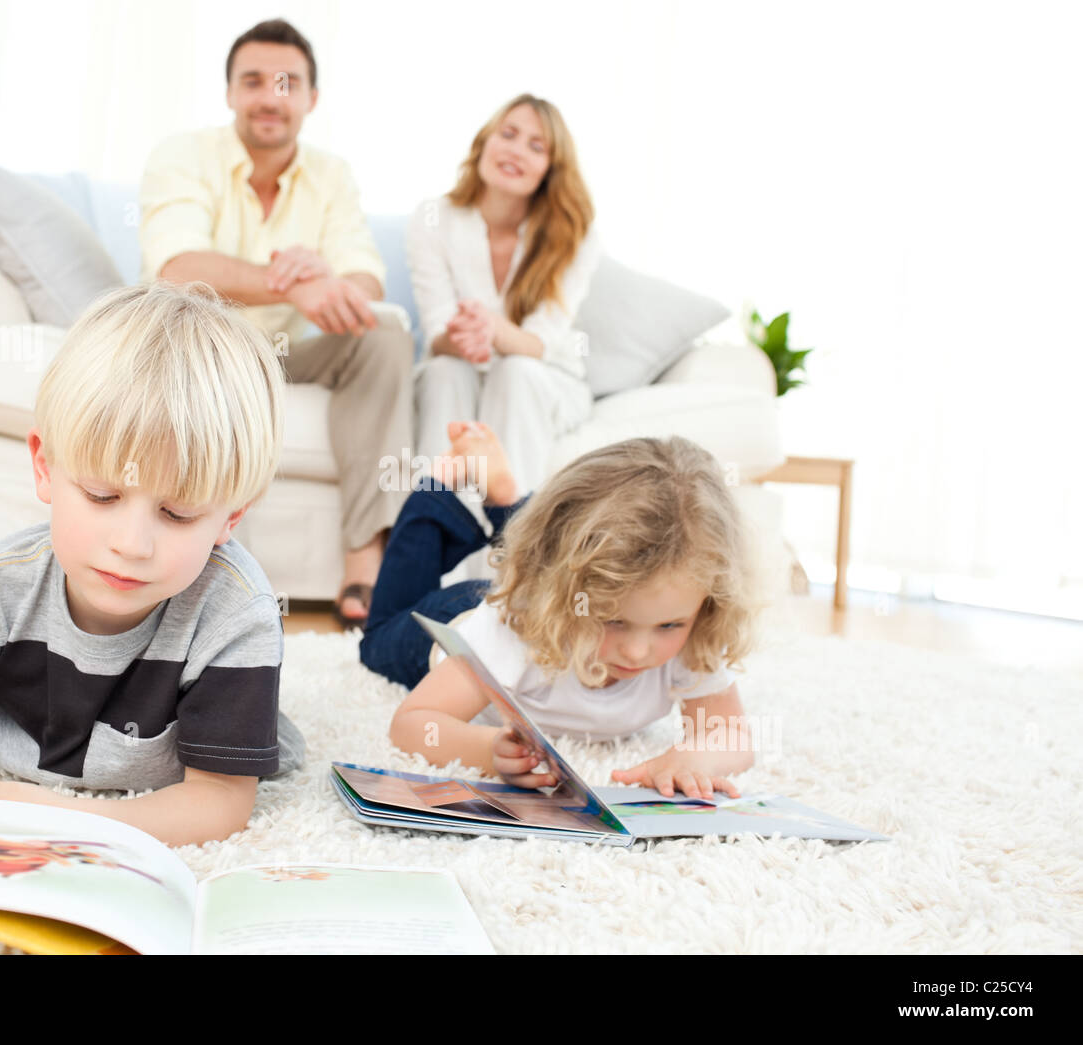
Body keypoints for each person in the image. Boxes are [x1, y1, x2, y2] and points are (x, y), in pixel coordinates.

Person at [0, 282, 305, 866]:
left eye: (178, 513)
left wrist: (66, 819)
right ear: (44, 467)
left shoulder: (237, 613)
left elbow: (219, 802)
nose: (131, 544)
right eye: (101, 495)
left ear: (230, 517)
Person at [139, 18, 413, 628]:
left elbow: (366, 281)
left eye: (287, 84)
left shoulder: (332, 174)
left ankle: (365, 556)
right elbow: (178, 269)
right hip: (200, 343)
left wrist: (334, 284)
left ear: (311, 99)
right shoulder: (183, 155)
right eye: (254, 81)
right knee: (199, 331)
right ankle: (204, 571)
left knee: (385, 334)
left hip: (282, 351)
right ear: (231, 93)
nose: (270, 96)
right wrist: (295, 282)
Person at [360, 423, 762, 799]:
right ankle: (437, 489)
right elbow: (412, 724)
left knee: (552, 542)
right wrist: (487, 750)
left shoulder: (693, 623)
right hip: (457, 615)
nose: (639, 651)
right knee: (378, 637)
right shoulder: (510, 633)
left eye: (670, 625)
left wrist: (695, 758)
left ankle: (506, 501)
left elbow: (730, 735)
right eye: (613, 620)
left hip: (539, 587)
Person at [407, 94, 600, 497]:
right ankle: (431, 546)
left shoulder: (575, 236)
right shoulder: (434, 219)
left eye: (536, 146)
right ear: (485, 142)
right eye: (508, 134)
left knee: (515, 372)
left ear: (550, 168)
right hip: (460, 369)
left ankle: (510, 545)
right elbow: (438, 330)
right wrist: (462, 336)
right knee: (444, 372)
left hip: (541, 377)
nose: (516, 151)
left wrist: (490, 329)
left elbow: (541, 341)